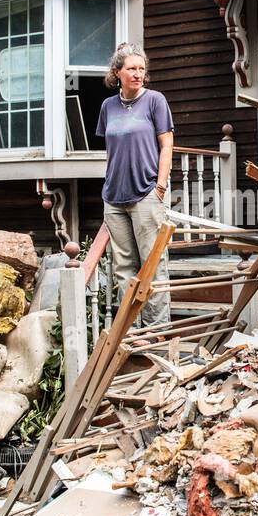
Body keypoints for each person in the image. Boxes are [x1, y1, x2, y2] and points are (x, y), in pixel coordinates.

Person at [96, 43, 173, 327]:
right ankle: (130, 329)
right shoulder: (108, 106)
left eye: (142, 69)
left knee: (153, 264)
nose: (138, 74)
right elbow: (112, 150)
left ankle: (156, 330)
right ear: (117, 72)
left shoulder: (154, 101)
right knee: (123, 268)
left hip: (146, 194)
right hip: (114, 197)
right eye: (131, 69)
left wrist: (160, 186)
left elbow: (167, 145)